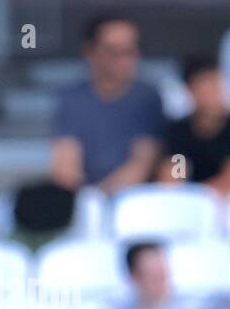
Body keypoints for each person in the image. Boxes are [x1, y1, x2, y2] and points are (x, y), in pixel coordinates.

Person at [49, 14, 164, 194]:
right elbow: (66, 163)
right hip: (85, 199)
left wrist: (99, 197)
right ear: (90, 51)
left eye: (130, 50)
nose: (124, 60)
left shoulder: (147, 97)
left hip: (136, 201)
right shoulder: (72, 98)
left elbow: (142, 163)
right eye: (113, 51)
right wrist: (85, 201)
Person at [159, 57, 230, 193]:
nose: (212, 93)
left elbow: (227, 181)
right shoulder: (180, 131)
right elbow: (174, 176)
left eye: (215, 84)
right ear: (190, 89)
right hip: (191, 204)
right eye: (204, 86)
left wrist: (195, 195)